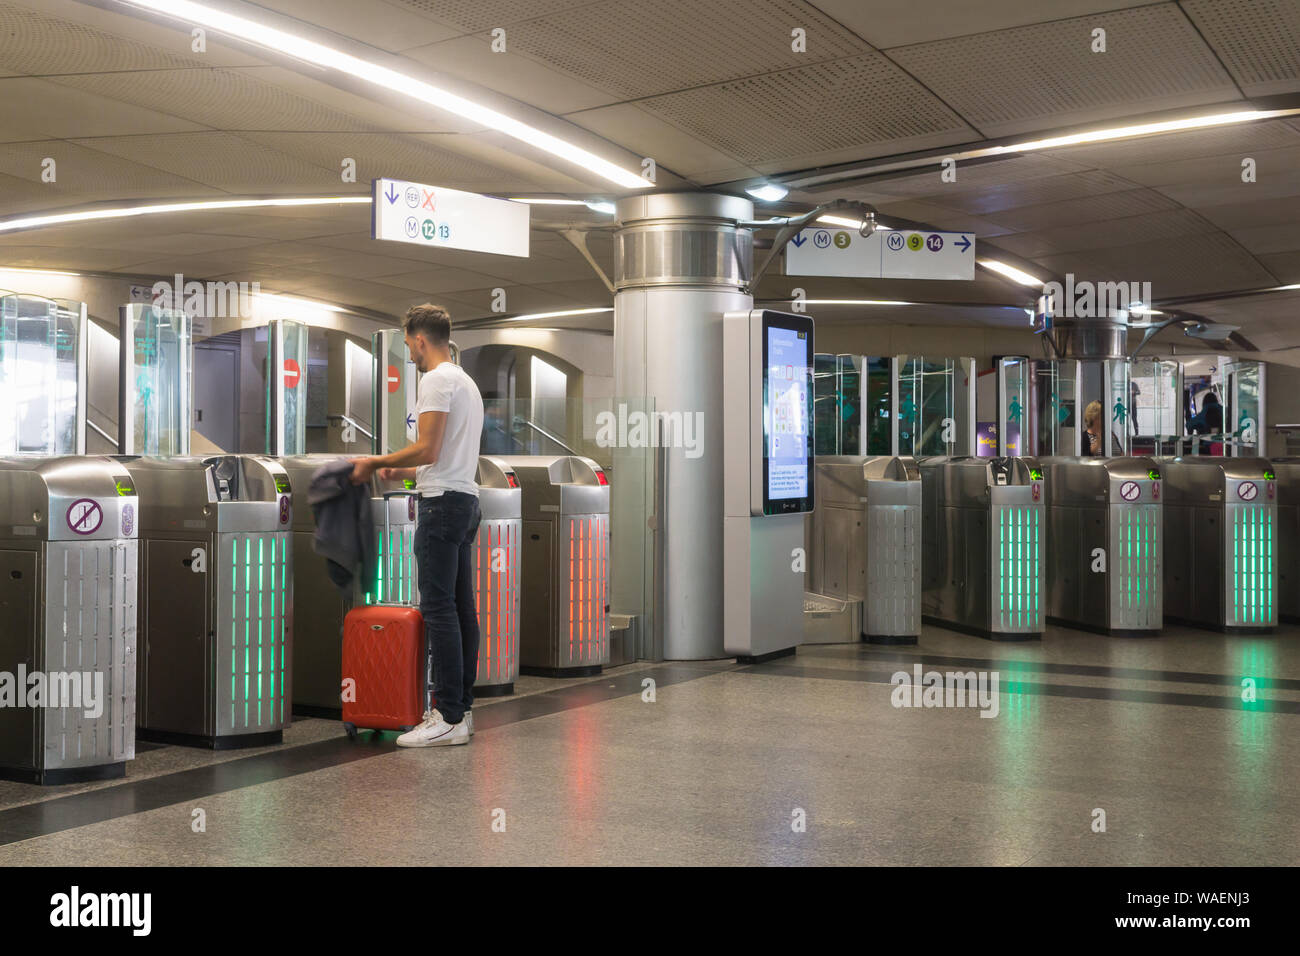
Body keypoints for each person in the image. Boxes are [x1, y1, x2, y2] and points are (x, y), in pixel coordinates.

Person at [350, 304, 484, 748]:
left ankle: (444, 715)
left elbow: (427, 449)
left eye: (408, 343)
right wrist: (400, 473)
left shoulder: (436, 380)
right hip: (465, 499)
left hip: (441, 507)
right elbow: (441, 456)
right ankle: (461, 711)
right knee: (462, 610)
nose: (408, 351)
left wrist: (377, 461)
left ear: (420, 339)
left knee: (439, 609)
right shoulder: (466, 382)